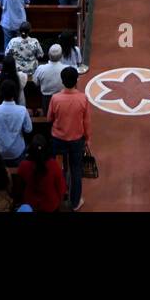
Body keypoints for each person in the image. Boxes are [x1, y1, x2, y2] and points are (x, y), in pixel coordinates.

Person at [48, 66, 92, 211]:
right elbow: (86, 122)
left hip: (58, 139)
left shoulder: (55, 98)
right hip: (76, 140)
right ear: (76, 81)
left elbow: (50, 118)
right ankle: (75, 202)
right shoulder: (83, 98)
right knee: (76, 171)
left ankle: (58, 198)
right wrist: (87, 138)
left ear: (62, 81)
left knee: (60, 169)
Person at [15, 133, 65, 211]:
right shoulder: (53, 165)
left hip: (30, 204)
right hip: (50, 205)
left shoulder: (23, 165)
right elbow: (61, 187)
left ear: (30, 148)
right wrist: (59, 200)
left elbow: (19, 187)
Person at [0, 81, 32, 165]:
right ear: (15, 93)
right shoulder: (22, 110)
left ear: (1, 93)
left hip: (0, 150)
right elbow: (28, 129)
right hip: (17, 151)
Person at [33, 44, 68, 110]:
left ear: (49, 55)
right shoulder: (66, 69)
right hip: (62, 98)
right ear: (61, 56)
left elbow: (35, 82)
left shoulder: (41, 68)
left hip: (47, 99)